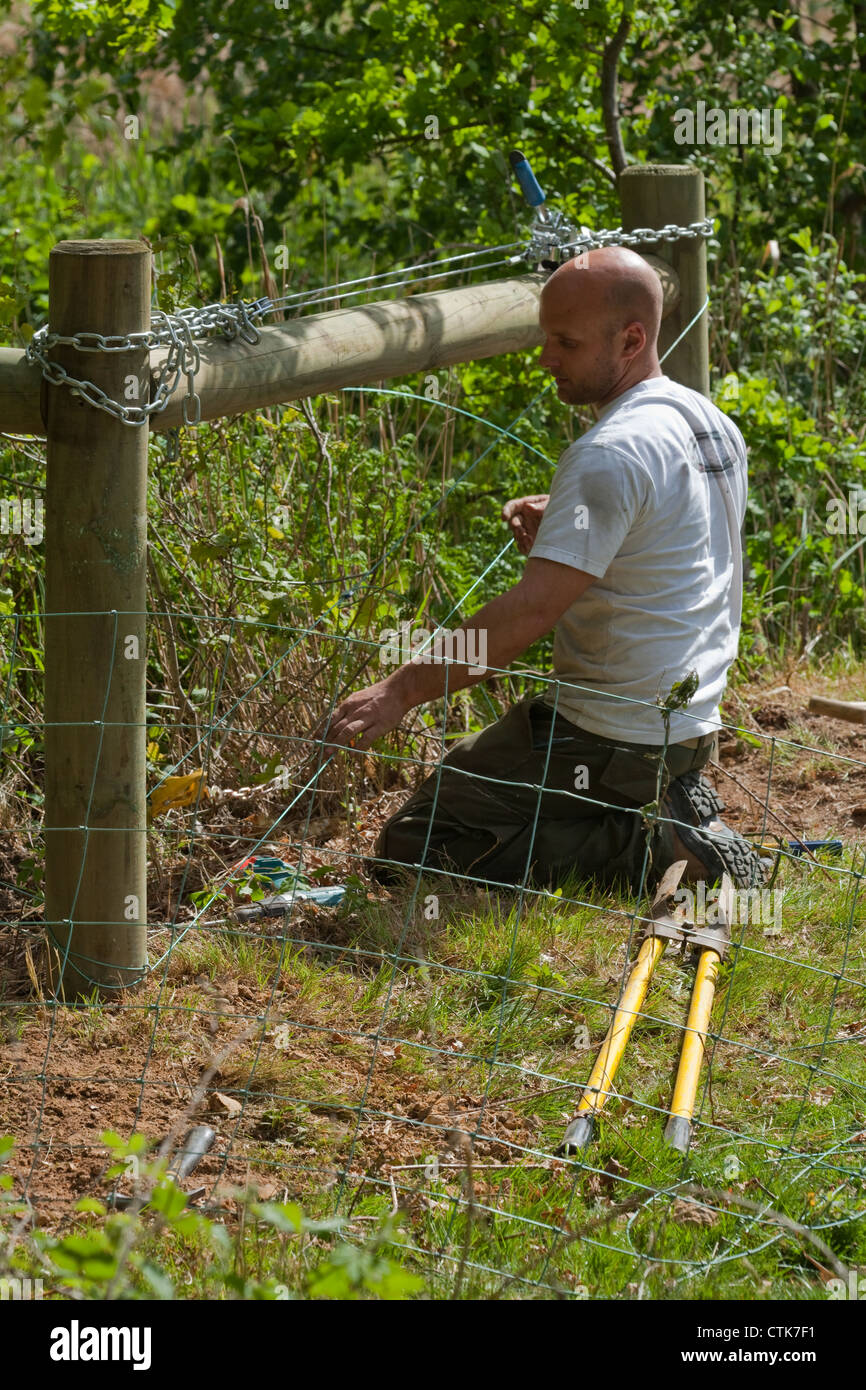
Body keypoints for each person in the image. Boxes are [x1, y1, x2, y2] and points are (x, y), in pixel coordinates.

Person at [318, 246, 764, 892]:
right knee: (475, 791)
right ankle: (655, 808)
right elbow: (668, 526)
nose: (546, 357)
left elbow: (528, 614)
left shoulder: (607, 453)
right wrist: (568, 518)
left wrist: (399, 691)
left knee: (415, 843)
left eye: (566, 341)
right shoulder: (708, 422)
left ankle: (651, 847)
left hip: (608, 737)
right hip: (688, 732)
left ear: (632, 339)